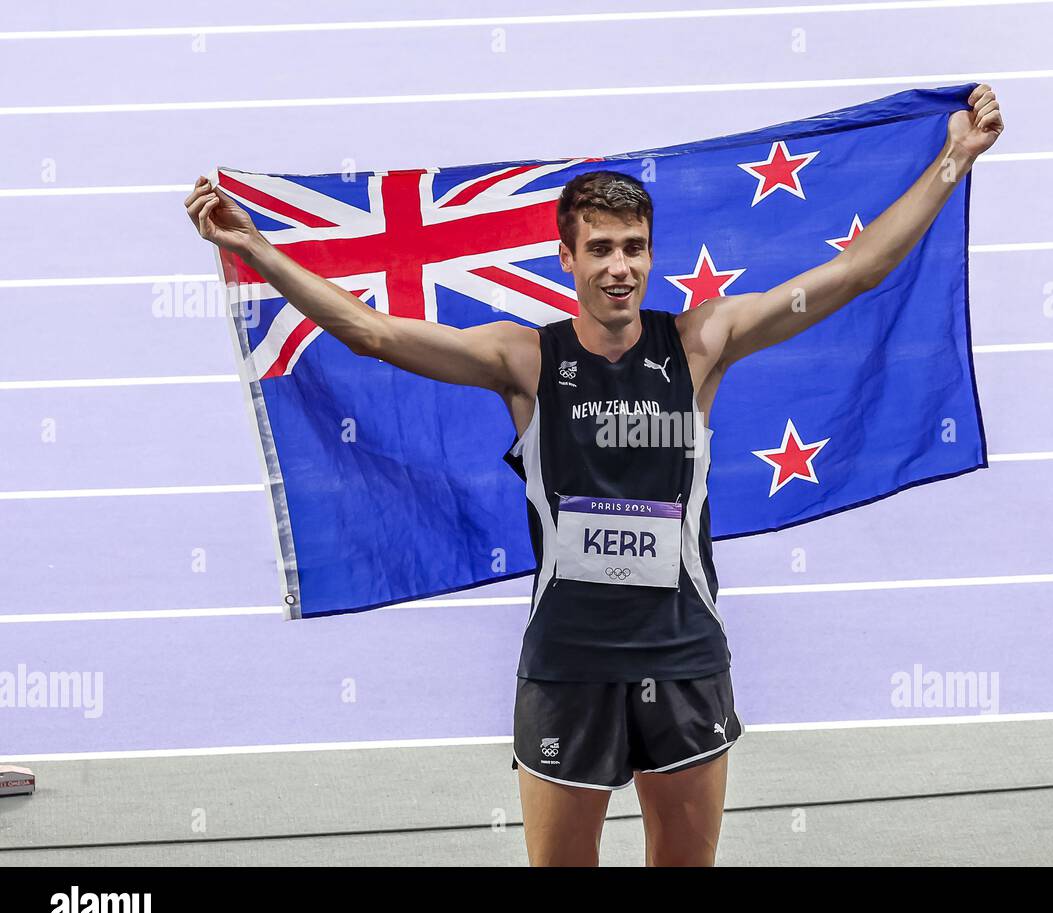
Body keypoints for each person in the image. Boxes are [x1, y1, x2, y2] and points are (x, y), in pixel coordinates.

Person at [185, 84, 1003, 866]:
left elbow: (855, 272)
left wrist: (951, 161)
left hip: (683, 655)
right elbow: (368, 331)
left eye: (636, 248)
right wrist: (256, 248)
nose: (621, 267)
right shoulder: (525, 360)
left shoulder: (699, 343)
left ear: (653, 253)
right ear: (567, 256)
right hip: (568, 662)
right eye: (602, 249)